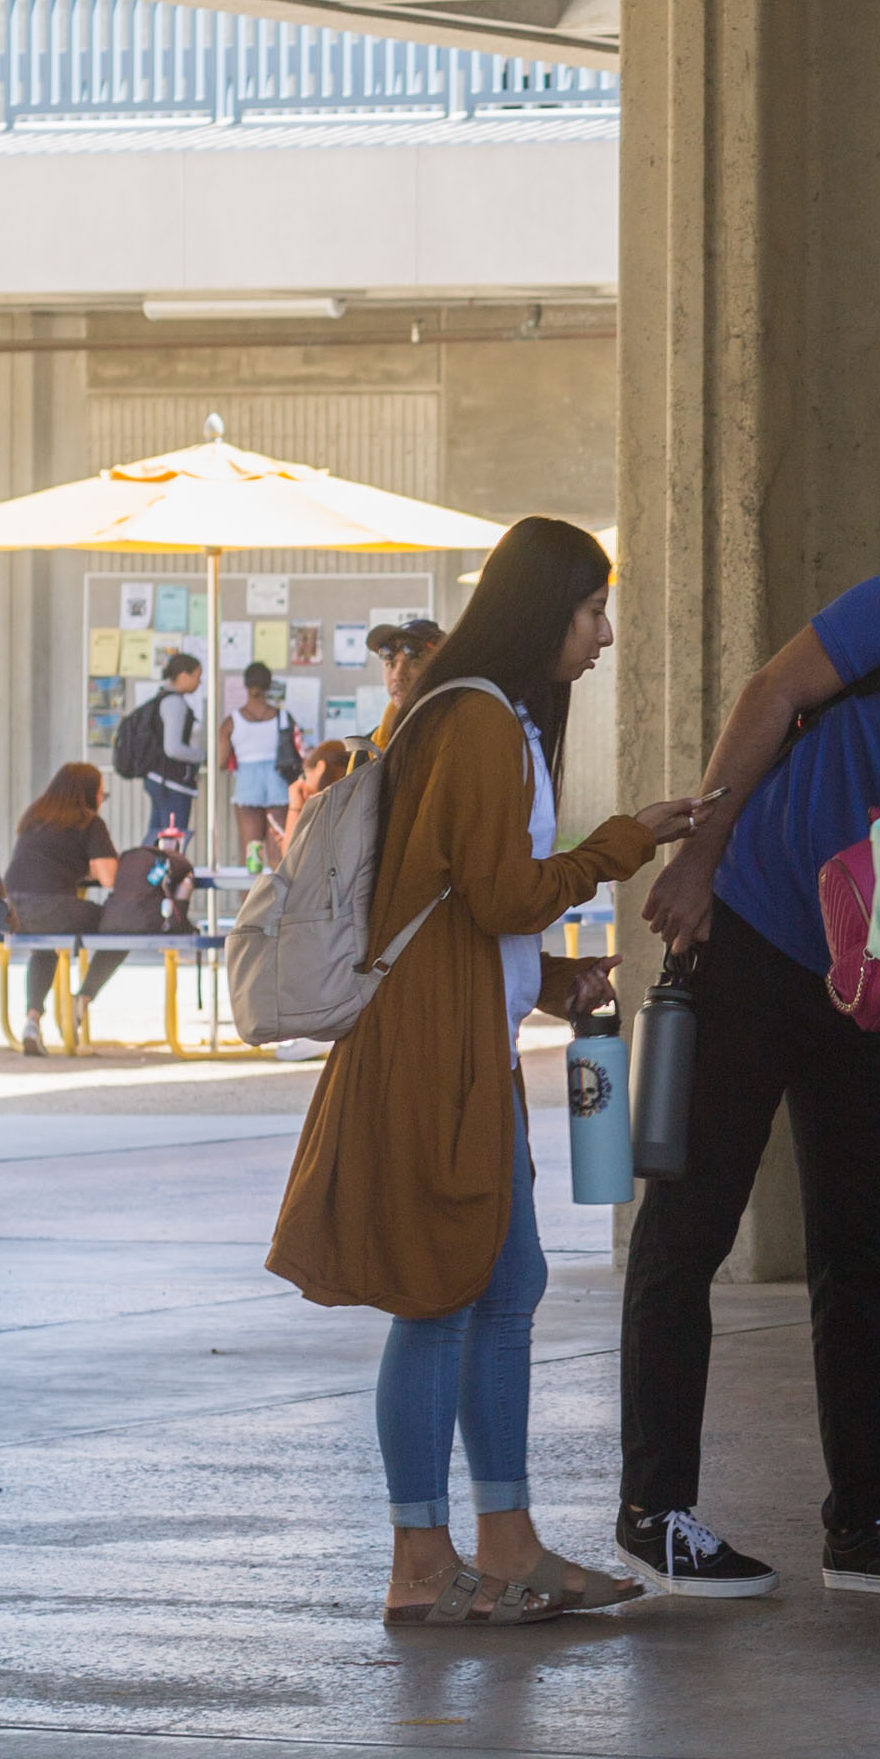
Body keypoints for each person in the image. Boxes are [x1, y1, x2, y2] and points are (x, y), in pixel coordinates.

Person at [269, 518, 696, 1627]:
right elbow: (502, 894)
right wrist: (626, 839)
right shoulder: (471, 722)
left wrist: (548, 984)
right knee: (438, 1295)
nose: (603, 637)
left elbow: (463, 908)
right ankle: (421, 1559)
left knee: (501, 1289)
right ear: (543, 607)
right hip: (431, 1055)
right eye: (593, 611)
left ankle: (505, 1543)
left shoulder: (477, 715)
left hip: (465, 1036)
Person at [616, 522, 880, 1603]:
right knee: (686, 1224)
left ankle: (863, 1521)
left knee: (864, 1253)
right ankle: (656, 1511)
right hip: (759, 929)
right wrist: (700, 855)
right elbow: (774, 693)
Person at [4, 762, 123, 1056]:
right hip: (52, 907)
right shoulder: (88, 822)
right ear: (88, 795)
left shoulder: (35, 816)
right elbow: (110, 878)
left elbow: (46, 862)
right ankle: (80, 1001)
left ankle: (32, 1021)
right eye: (101, 796)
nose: (101, 803)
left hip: (11, 911)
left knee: (46, 948)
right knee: (123, 928)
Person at [127, 650, 203, 846]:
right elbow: (173, 748)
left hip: (159, 778)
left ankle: (146, 873)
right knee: (171, 841)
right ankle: (160, 874)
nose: (199, 682)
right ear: (183, 676)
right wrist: (202, 756)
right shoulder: (174, 703)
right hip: (171, 782)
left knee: (156, 835)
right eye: (197, 676)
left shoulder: (162, 698)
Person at [226, 661, 295, 867]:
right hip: (279, 784)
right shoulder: (283, 717)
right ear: (269, 685)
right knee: (278, 855)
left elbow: (221, 760)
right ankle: (279, 899)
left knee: (251, 855)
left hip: (248, 785)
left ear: (246, 685)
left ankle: (249, 899)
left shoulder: (232, 721)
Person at [364, 618, 444, 748]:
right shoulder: (366, 752)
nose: (397, 676)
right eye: (390, 664)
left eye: (414, 663)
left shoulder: (462, 740)